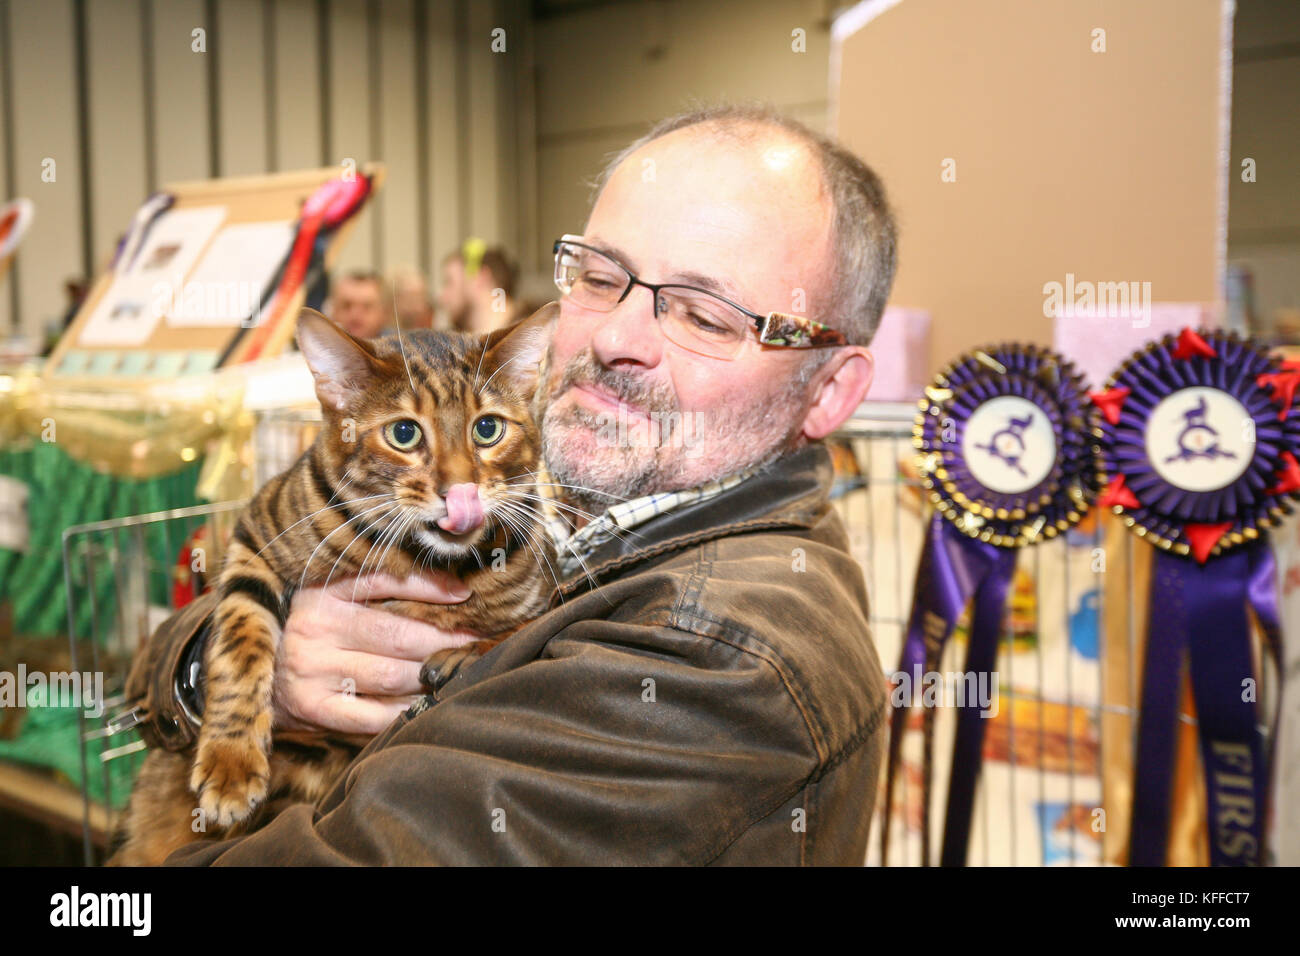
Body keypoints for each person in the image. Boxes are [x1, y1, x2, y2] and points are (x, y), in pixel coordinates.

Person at [158, 102, 898, 865]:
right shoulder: (592, 497)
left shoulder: (716, 661)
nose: (614, 338)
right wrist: (221, 670)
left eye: (706, 316)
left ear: (831, 391)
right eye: (600, 276)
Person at [437, 239, 525, 334]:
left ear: (481, 278)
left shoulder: (534, 338)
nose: (441, 297)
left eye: (449, 282)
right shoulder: (456, 340)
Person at [329, 269, 388, 339]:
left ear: (384, 313)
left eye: (367, 306)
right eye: (346, 306)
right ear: (333, 311)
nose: (355, 315)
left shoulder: (401, 348)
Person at [387, 266, 435, 331]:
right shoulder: (382, 337)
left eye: (422, 298)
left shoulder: (429, 334)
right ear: (394, 300)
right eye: (412, 299)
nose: (420, 308)